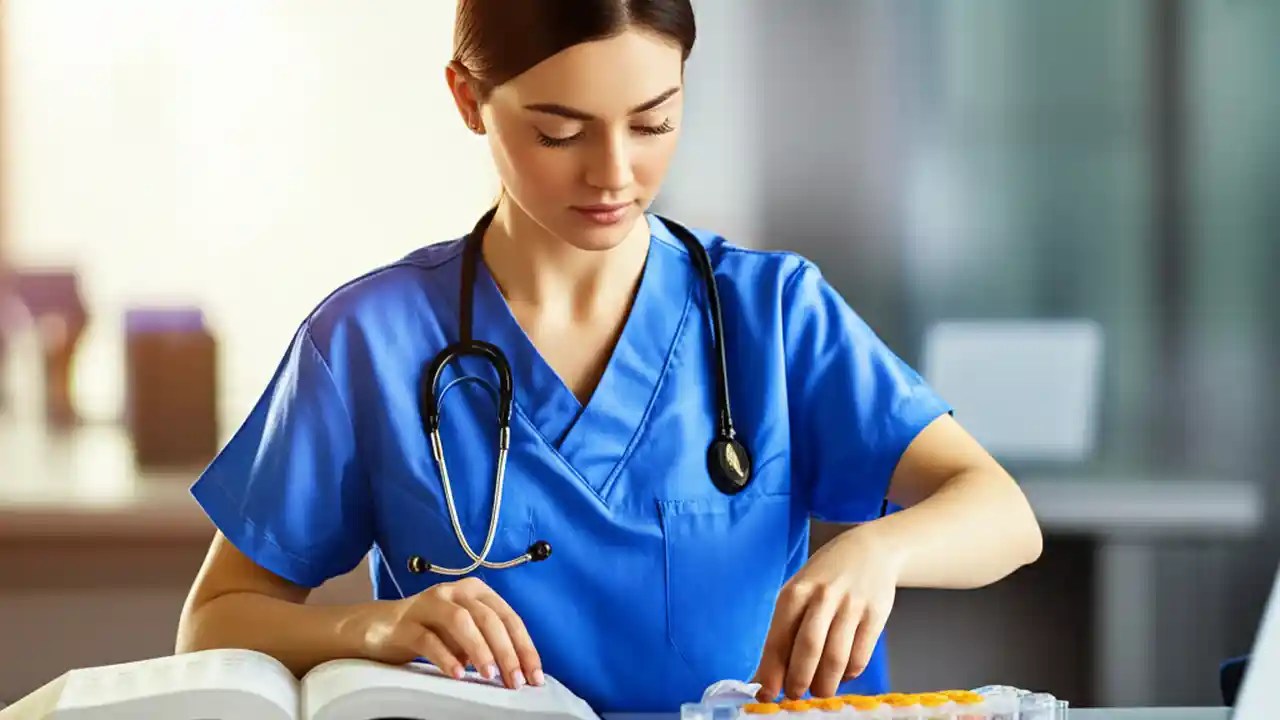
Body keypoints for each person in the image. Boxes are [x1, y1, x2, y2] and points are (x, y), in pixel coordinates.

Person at [174, 0, 1044, 713]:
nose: (615, 175)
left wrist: (877, 553)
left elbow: (1001, 513)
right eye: (561, 133)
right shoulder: (369, 341)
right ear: (467, 99)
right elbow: (215, 621)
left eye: (654, 121)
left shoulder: (771, 314)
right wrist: (371, 629)